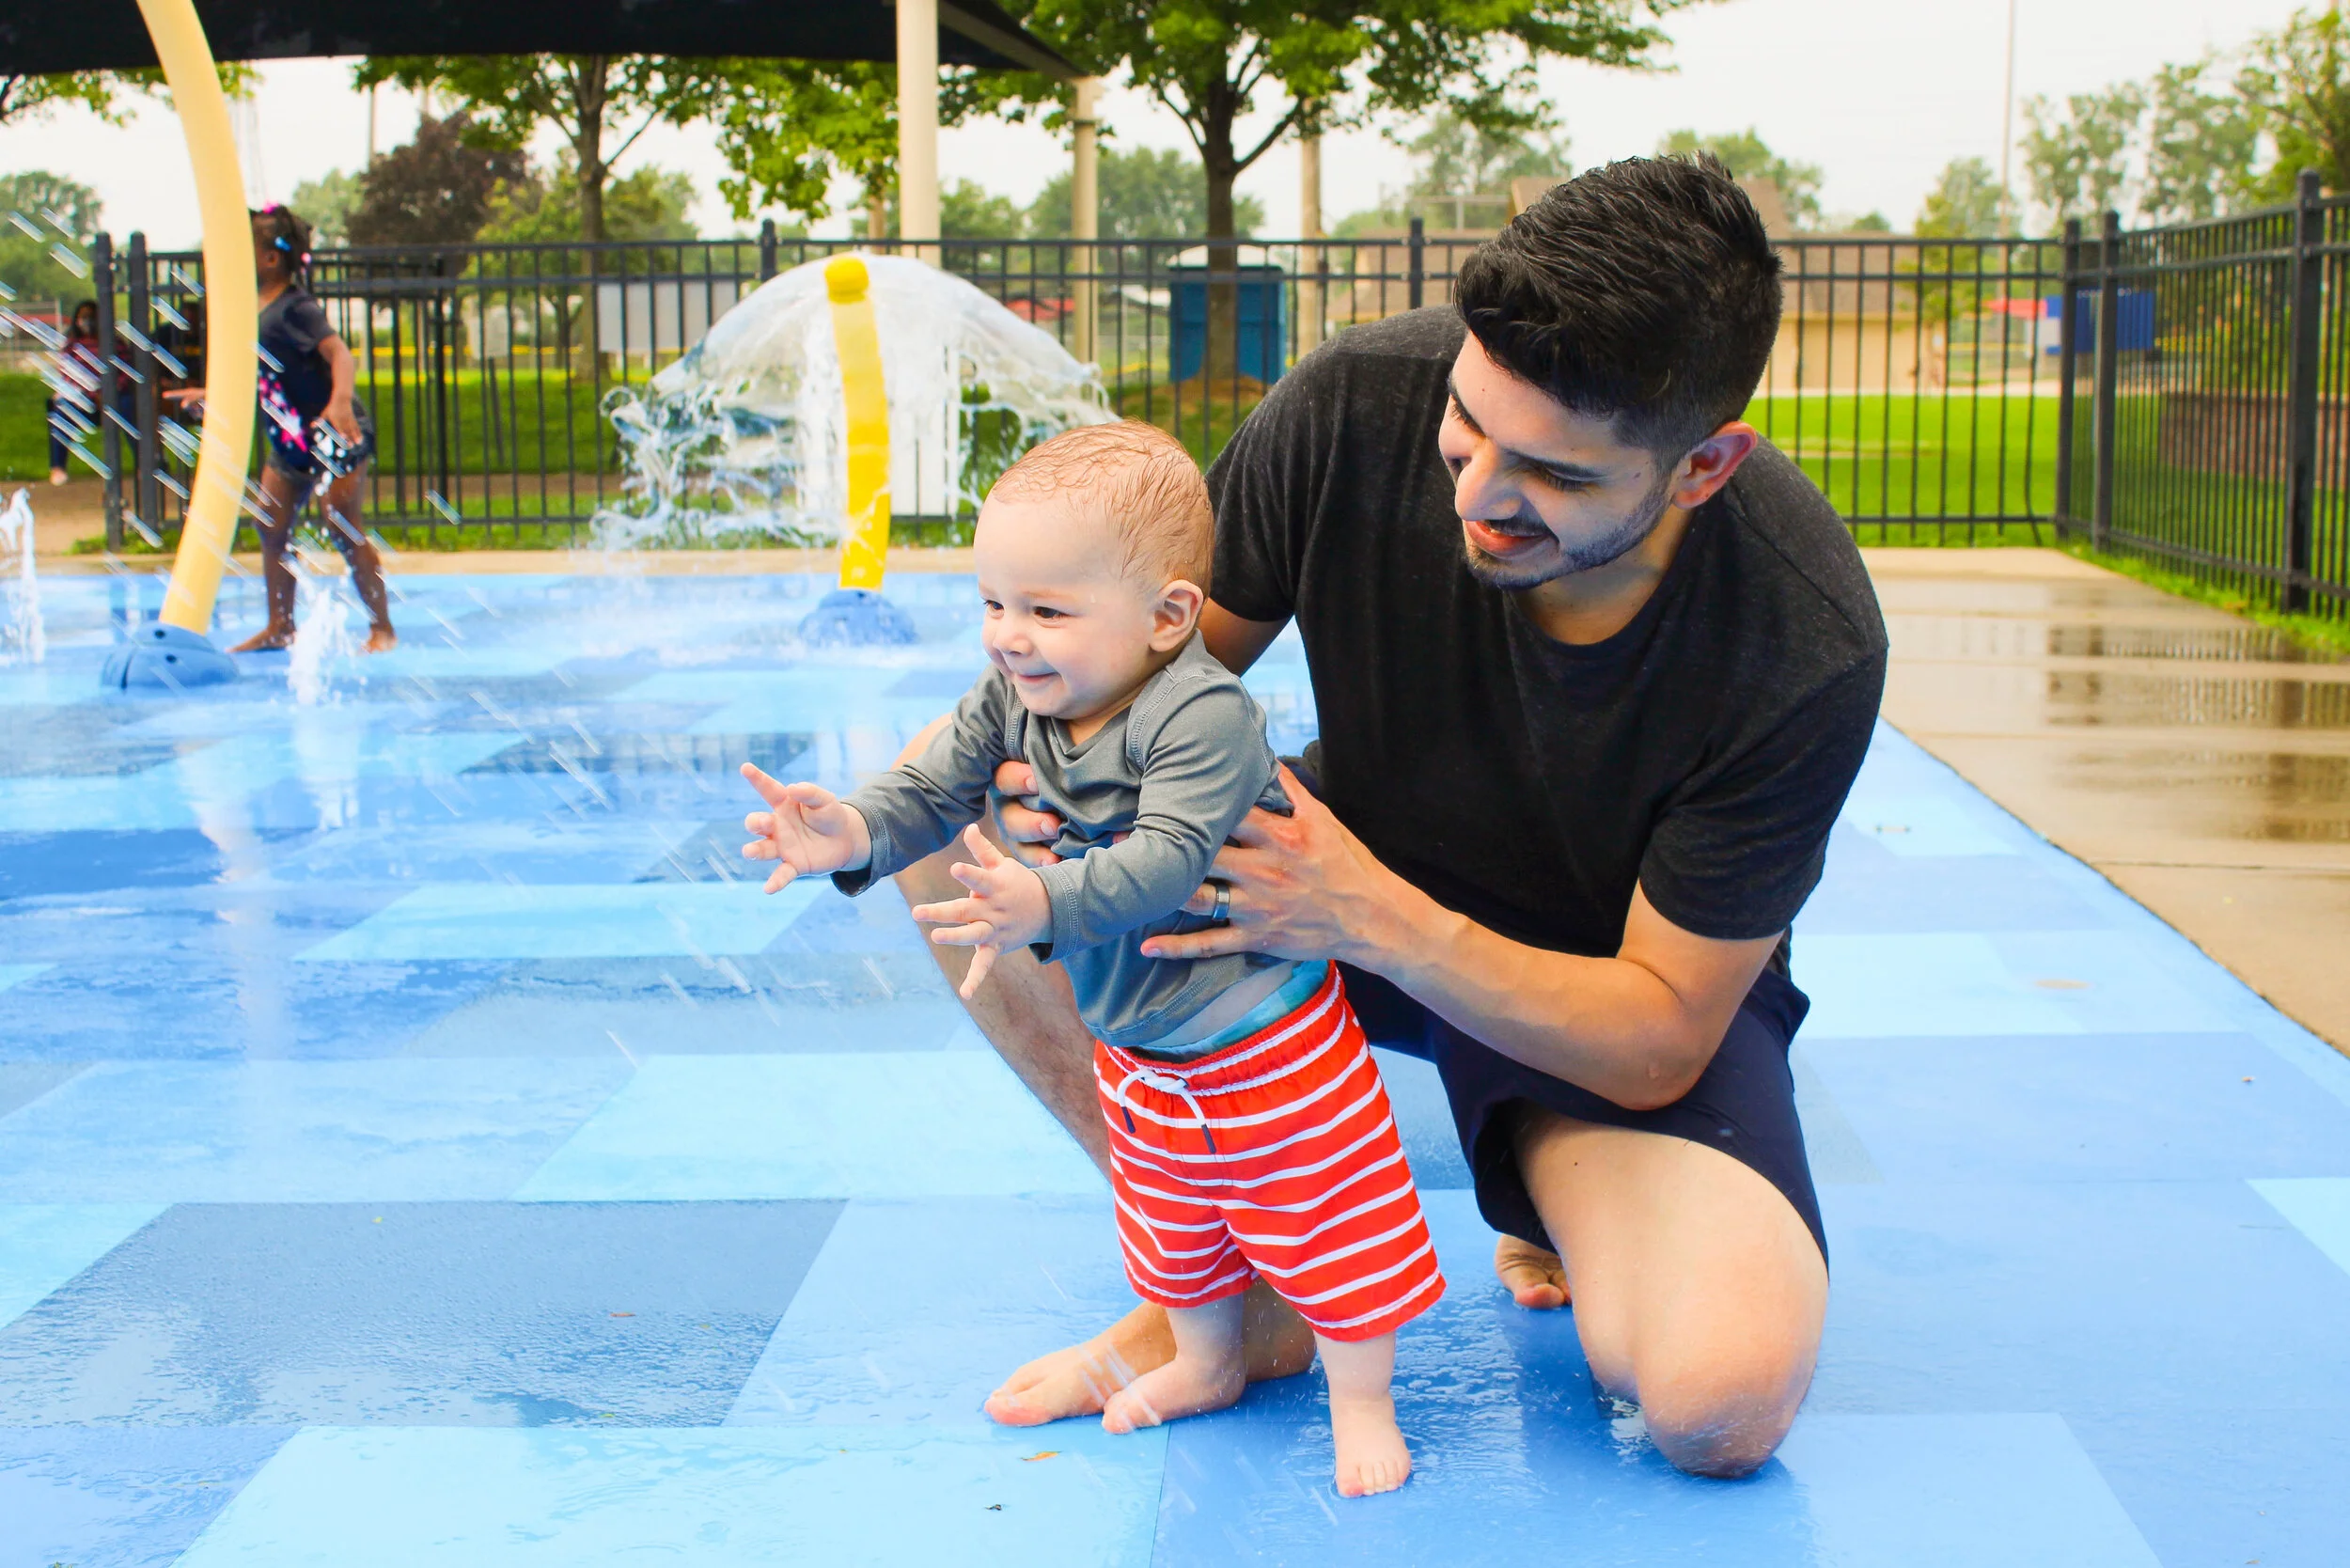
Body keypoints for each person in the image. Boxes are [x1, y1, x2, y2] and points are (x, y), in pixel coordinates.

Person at [893, 156, 1888, 1480]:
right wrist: (1032, 788)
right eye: (1469, 426)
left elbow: (1657, 1036)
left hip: (1589, 993)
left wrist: (1370, 911)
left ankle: (1541, 1171)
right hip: (1314, 899)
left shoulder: (1798, 637)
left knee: (1719, 1404)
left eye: (1556, 475)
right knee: (954, 821)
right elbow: (1131, 667)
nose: (1478, 493)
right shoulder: (1357, 406)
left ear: (1704, 466)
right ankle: (1232, 1281)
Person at [740, 422, 1445, 1497]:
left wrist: (1044, 900)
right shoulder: (1017, 699)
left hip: (1263, 1037)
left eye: (1046, 611)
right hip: (1141, 1046)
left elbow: (1166, 862)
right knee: (1177, 1230)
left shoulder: (1199, 712)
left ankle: (1362, 1400)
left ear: (1168, 617)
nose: (1009, 638)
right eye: (992, 604)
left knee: (1326, 1219)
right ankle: (1207, 1361)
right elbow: (931, 785)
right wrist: (851, 834)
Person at [169, 205, 395, 653]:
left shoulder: (296, 306)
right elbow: (256, 373)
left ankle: (381, 627)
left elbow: (339, 354)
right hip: (289, 441)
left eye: (244, 246)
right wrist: (211, 394)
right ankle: (280, 626)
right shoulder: (248, 308)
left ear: (271, 258)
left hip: (333, 431)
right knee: (270, 527)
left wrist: (341, 400)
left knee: (342, 526)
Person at [44, 300, 102, 486]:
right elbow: (67, 373)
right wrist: (81, 393)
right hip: (79, 400)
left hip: (107, 400)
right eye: (83, 317)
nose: (87, 322)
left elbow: (121, 374)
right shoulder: (72, 345)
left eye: (91, 317)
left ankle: (145, 466)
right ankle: (57, 468)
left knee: (128, 407)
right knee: (61, 411)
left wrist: (100, 393)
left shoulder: (113, 344)